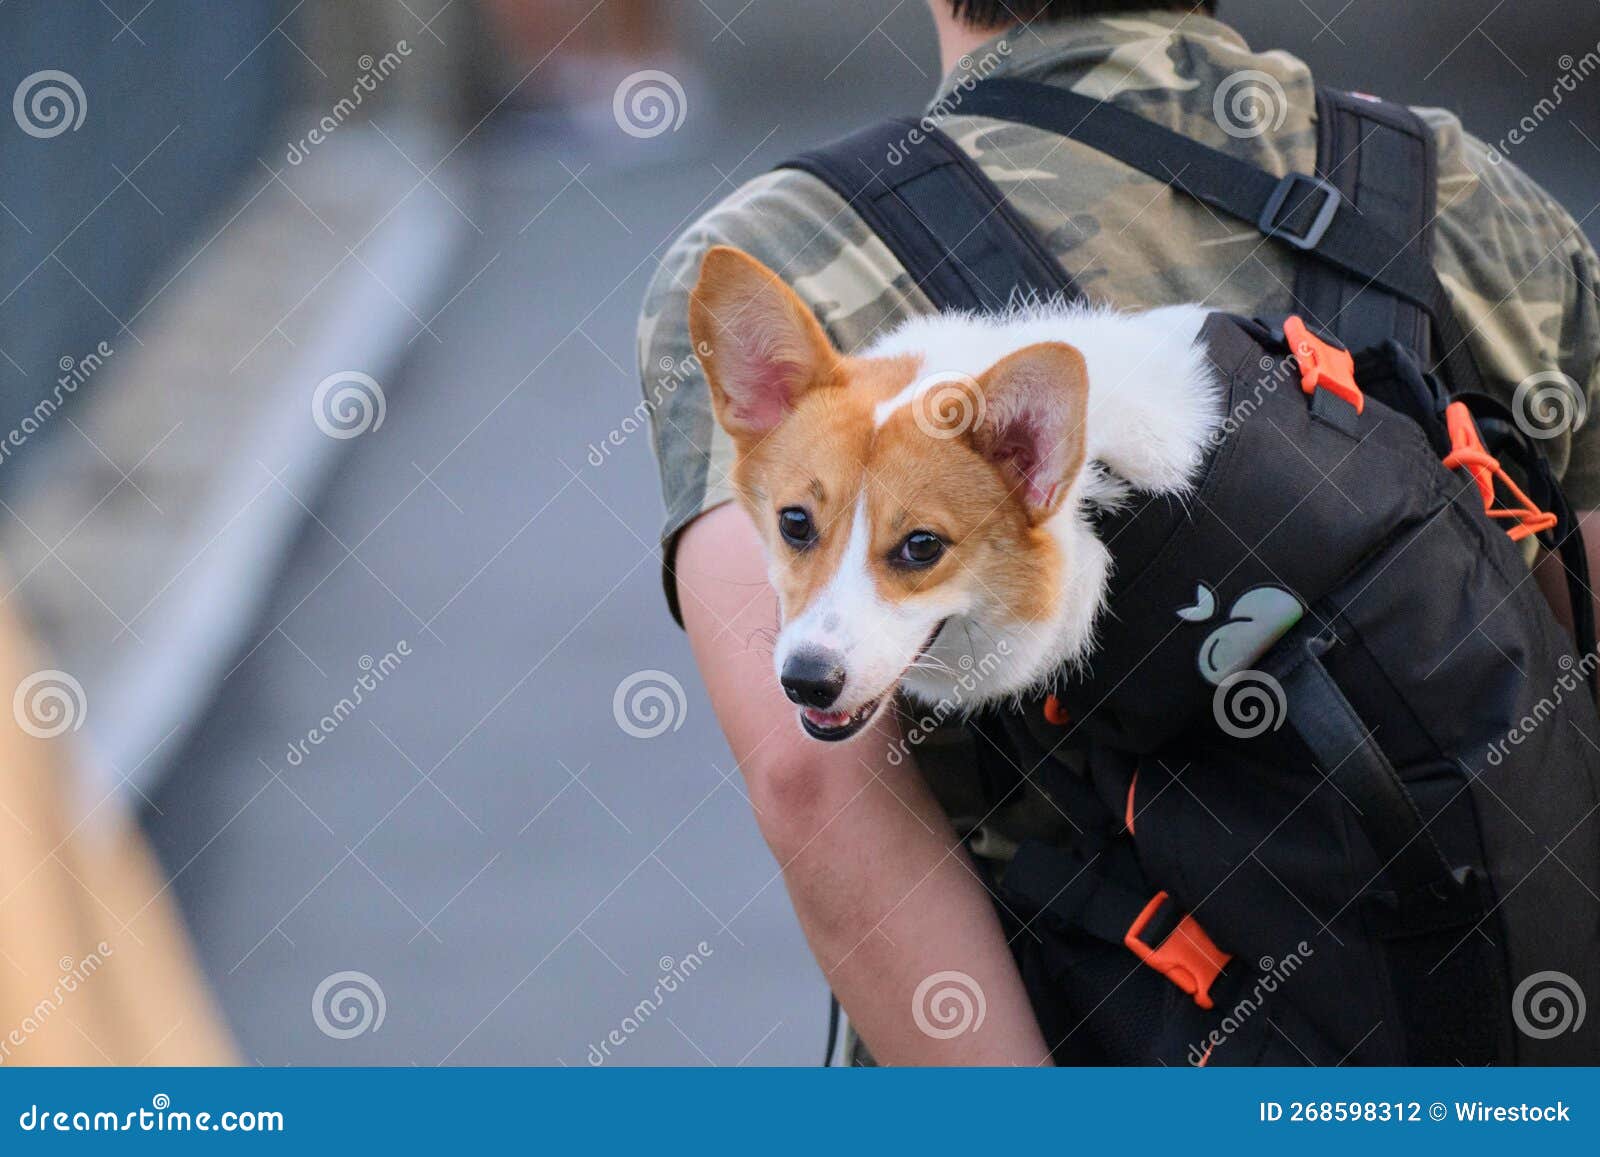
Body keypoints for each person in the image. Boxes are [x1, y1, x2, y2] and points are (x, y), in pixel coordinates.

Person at [637, 1, 1600, 1065]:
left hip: (1090, 1025)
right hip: (1488, 1024)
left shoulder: (786, 249)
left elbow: (811, 776)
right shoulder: (1465, 194)